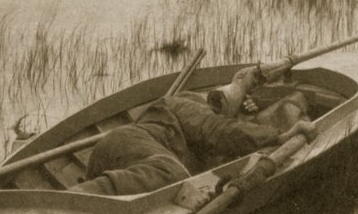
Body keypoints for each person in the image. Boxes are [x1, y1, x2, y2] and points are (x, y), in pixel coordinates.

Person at [69, 66, 316, 196]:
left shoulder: (211, 141)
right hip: (126, 143)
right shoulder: (186, 103)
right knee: (173, 174)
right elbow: (220, 130)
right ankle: (76, 197)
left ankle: (94, 196)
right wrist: (279, 136)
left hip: (129, 163)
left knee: (179, 178)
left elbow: (227, 135)